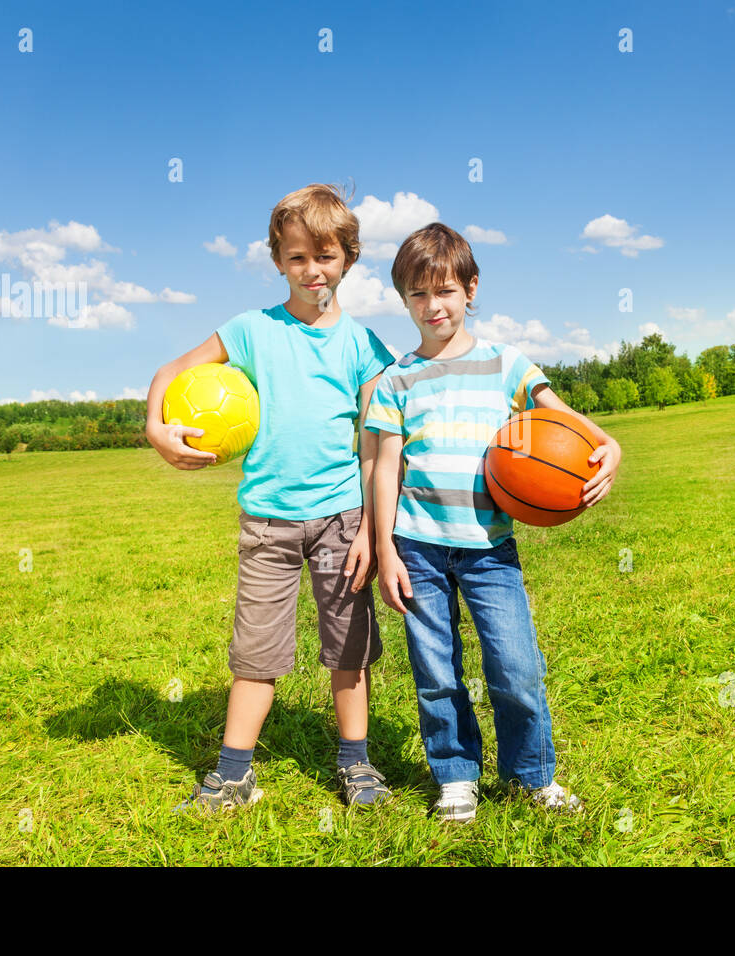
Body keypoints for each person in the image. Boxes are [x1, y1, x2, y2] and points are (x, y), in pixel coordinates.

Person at [145, 184, 396, 811]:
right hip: (268, 521)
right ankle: (234, 774)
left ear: (349, 258)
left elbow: (378, 441)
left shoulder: (364, 346)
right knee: (254, 652)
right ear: (278, 260)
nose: (313, 271)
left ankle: (357, 764)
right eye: (297, 258)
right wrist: (156, 426)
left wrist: (370, 525)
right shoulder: (251, 330)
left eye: (327, 256)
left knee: (349, 648)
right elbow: (169, 372)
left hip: (344, 519)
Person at [365, 222, 621, 823]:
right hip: (418, 548)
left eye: (446, 291)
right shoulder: (395, 380)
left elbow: (563, 419)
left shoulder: (506, 364)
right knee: (435, 672)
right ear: (404, 300)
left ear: (471, 289)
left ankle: (533, 776)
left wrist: (610, 444)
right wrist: (386, 550)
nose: (433, 306)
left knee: (515, 668)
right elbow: (383, 471)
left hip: (489, 549)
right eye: (419, 295)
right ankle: (455, 776)